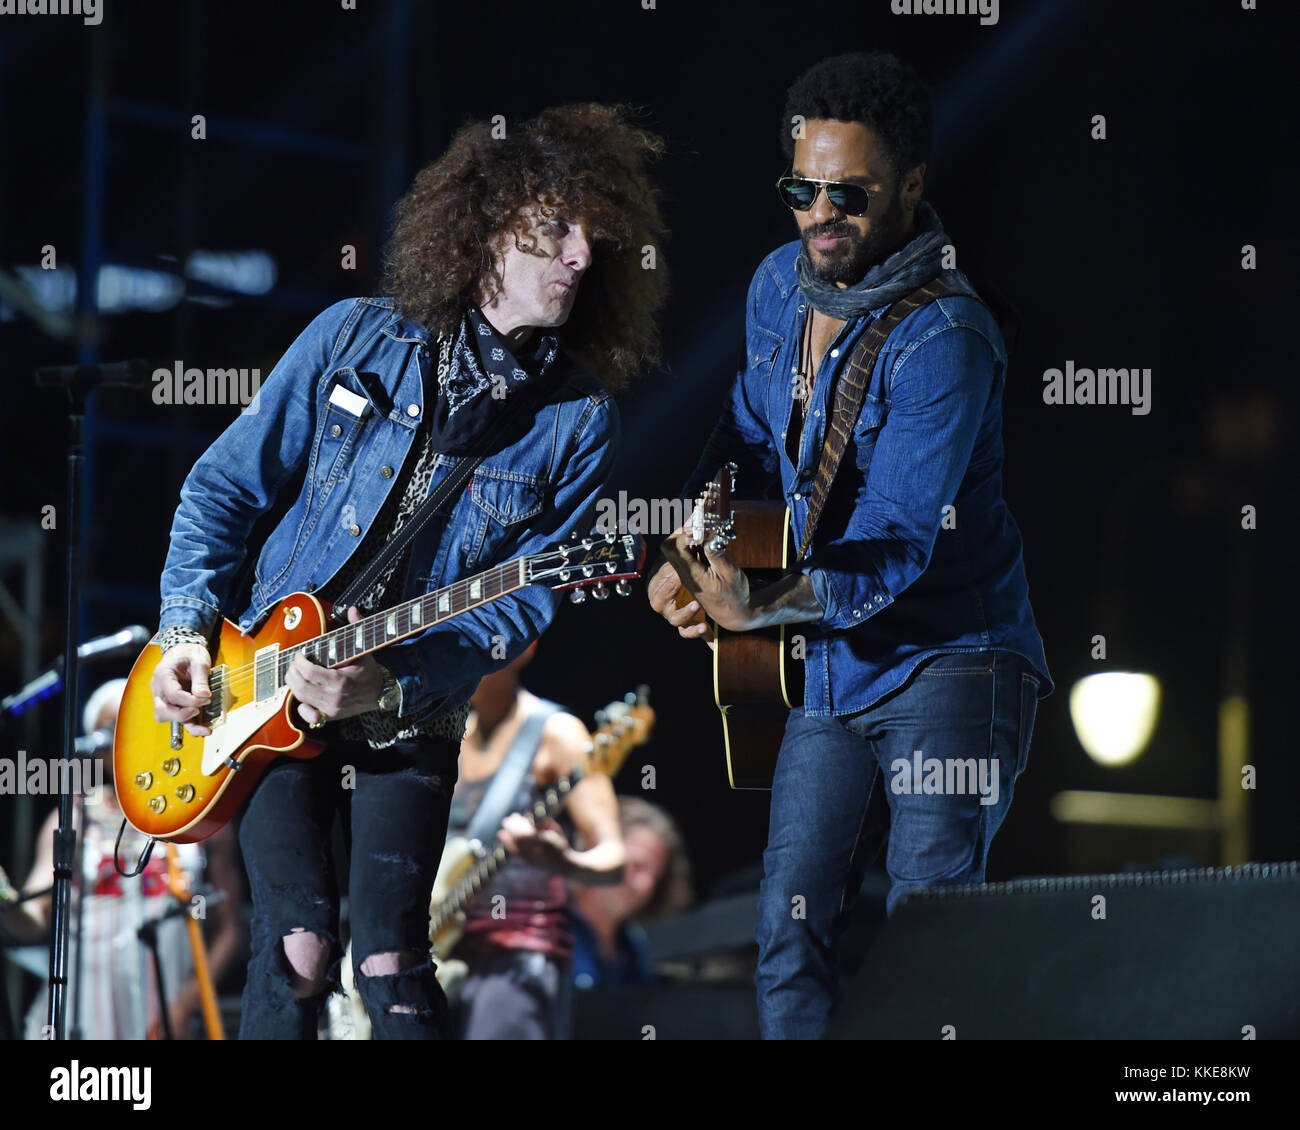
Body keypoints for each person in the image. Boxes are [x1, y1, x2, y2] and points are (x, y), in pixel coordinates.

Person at [148, 104, 667, 1039]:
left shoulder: (578, 419)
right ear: (484, 230)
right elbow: (223, 489)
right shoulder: (353, 337)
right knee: (298, 950)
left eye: (596, 236)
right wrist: (186, 631)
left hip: (409, 706)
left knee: (388, 961)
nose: (582, 256)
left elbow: (522, 604)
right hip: (260, 687)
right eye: (555, 230)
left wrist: (391, 682)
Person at [647, 52, 1051, 1039]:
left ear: (912, 187)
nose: (820, 214)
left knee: (926, 929)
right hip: (830, 664)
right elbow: (745, 430)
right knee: (786, 929)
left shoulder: (946, 335)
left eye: (850, 194)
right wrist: (684, 544)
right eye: (801, 188)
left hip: (955, 658)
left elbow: (900, 546)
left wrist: (763, 602)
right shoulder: (776, 288)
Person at [0, 679, 243, 1039]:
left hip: (165, 1012)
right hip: (81, 1016)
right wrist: (6, 900)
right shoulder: (75, 817)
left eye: (135, 725)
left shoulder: (198, 816)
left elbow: (229, 928)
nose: (123, 740)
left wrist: (184, 1004)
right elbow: (37, 918)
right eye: (110, 731)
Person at [442, 643, 624, 1039]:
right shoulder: (452, 733)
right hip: (441, 957)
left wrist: (564, 862)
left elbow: (614, 858)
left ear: (522, 647)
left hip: (518, 957)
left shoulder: (556, 732)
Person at [569, 795, 692, 991]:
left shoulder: (633, 945)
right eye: (635, 865)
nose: (645, 885)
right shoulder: (547, 930)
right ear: (595, 848)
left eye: (656, 876)